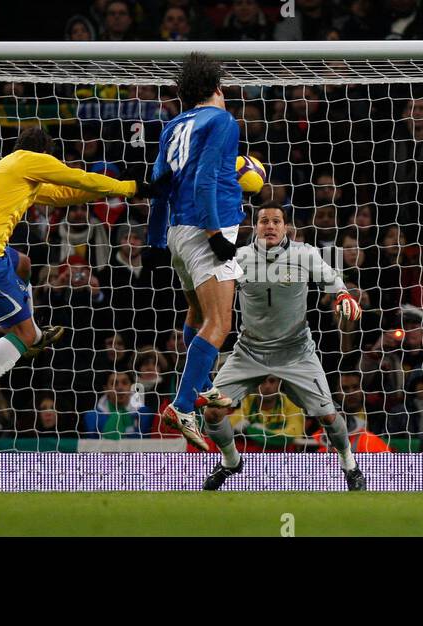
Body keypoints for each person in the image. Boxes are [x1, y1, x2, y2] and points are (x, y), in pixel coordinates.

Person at [0, 126, 147, 441]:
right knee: (23, 335)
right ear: (44, 155)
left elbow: (68, 193)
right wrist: (132, 187)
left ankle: (36, 332)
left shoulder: (6, 169)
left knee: (23, 263)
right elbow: (78, 178)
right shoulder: (29, 161)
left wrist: (109, 191)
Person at [199, 206, 365, 491]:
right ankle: (230, 461)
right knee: (212, 412)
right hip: (249, 351)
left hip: (296, 352)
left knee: (328, 416)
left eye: (276, 221)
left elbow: (333, 281)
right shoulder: (239, 258)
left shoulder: (305, 254)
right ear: (255, 227)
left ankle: (349, 465)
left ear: (286, 227)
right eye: (264, 221)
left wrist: (343, 296)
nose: (270, 226)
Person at [145, 53, 247, 449]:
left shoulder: (172, 126)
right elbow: (205, 178)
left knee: (198, 314)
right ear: (217, 89)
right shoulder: (222, 120)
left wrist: (154, 243)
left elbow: (158, 185)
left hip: (176, 232)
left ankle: (202, 387)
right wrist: (215, 234)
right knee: (219, 323)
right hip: (208, 229)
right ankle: (183, 404)